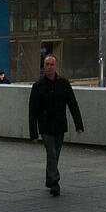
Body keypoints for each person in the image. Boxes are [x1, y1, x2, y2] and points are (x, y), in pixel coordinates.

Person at [28, 55, 84, 196]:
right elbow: (32, 111)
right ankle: (54, 182)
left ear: (55, 66)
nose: (49, 67)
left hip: (59, 126)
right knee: (52, 154)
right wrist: (33, 133)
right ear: (44, 66)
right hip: (46, 127)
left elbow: (72, 104)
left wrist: (78, 124)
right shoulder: (38, 86)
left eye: (51, 64)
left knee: (55, 155)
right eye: (47, 64)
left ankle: (49, 179)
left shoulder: (64, 84)